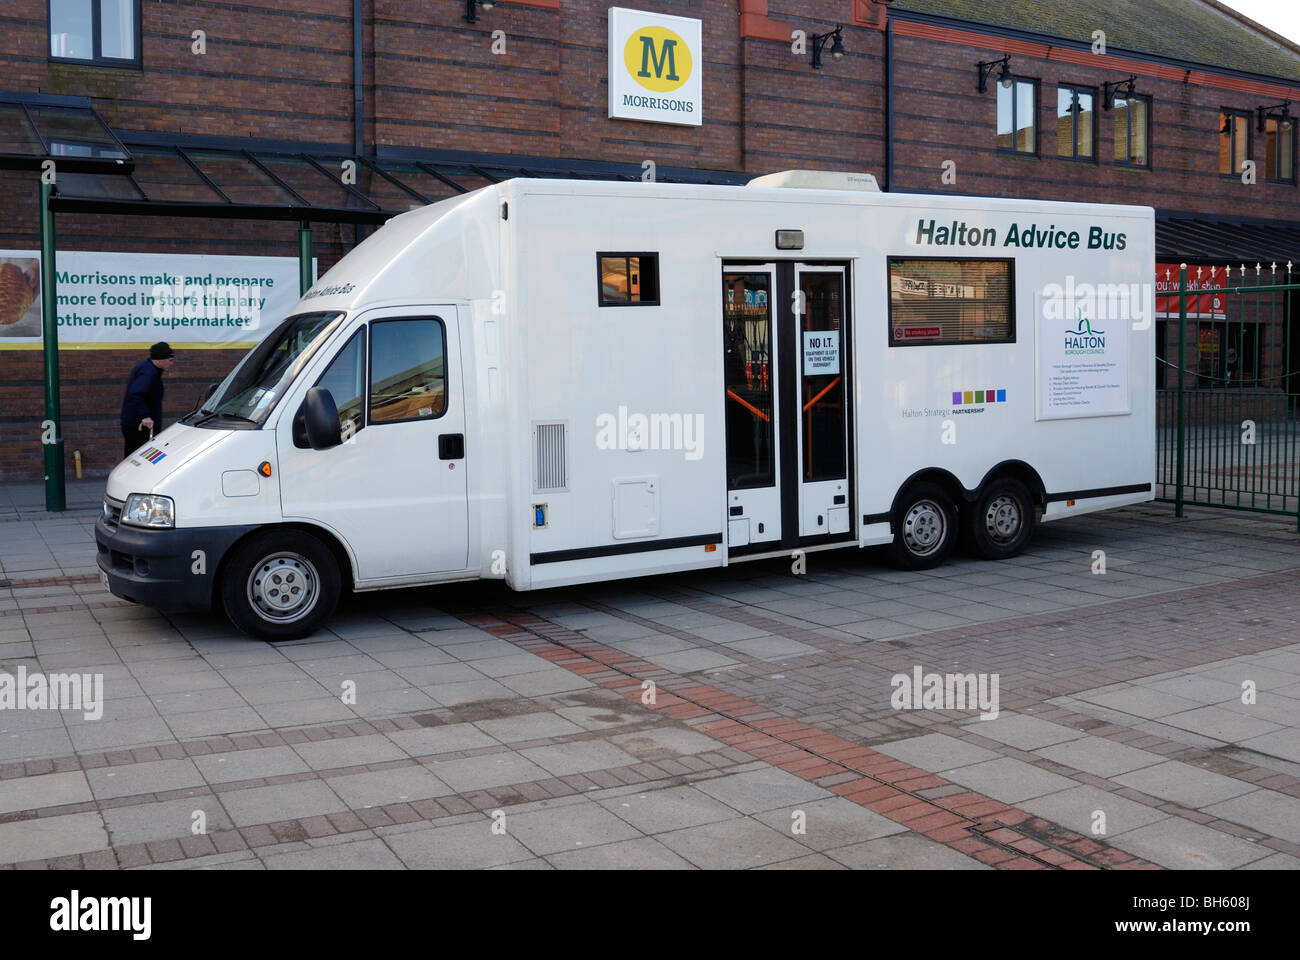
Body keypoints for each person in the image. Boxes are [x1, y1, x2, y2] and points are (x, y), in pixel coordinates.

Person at [120, 342, 175, 458]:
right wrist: (145, 416)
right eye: (170, 359)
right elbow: (135, 395)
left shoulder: (147, 368)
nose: (171, 363)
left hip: (135, 423)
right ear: (160, 359)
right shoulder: (148, 373)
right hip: (140, 426)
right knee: (141, 459)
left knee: (134, 457)